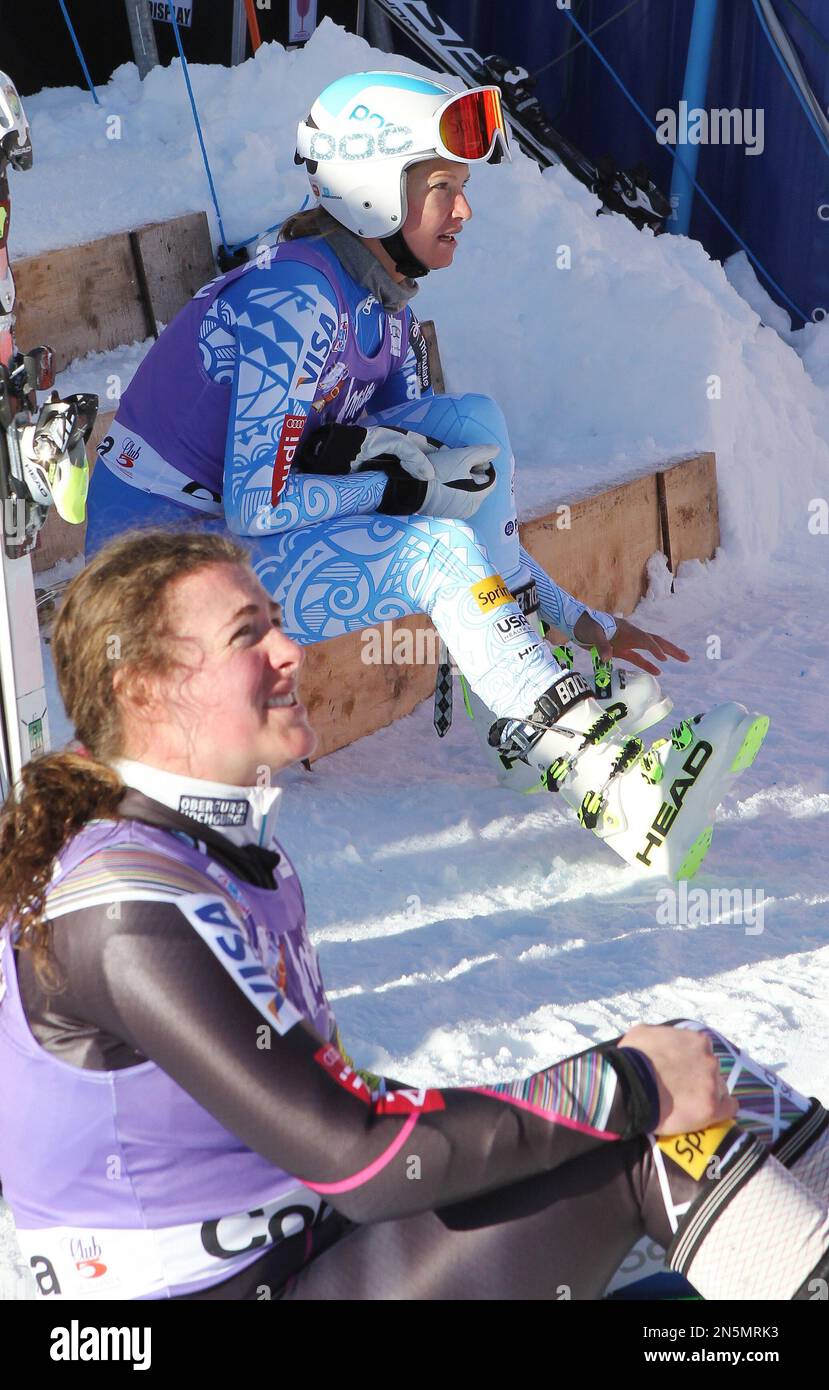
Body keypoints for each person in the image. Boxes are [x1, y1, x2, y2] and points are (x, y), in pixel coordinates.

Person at [0, 529, 825, 1301]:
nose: (290, 651)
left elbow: (341, 1126)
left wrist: (630, 1081)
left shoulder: (214, 846)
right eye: (248, 634)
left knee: (706, 1068)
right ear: (141, 686)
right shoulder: (127, 910)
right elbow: (356, 1153)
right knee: (646, 1139)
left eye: (279, 624)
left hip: (302, 1250)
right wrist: (628, 1086)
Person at [85, 72, 768, 879]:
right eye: (442, 187)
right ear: (373, 191)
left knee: (468, 426)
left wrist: (576, 620)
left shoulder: (381, 306)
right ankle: (608, 782)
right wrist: (394, 486)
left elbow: (461, 488)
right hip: (153, 584)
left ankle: (527, 716)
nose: (464, 210)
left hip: (228, 547)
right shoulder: (294, 300)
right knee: (432, 548)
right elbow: (259, 502)